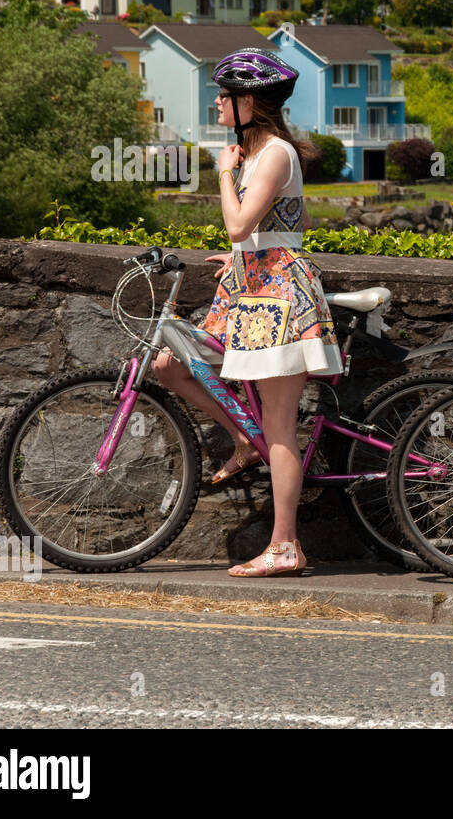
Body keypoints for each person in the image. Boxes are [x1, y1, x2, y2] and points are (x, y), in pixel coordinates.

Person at [152, 48, 342, 578]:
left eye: (225, 95)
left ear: (249, 101)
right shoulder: (258, 154)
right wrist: (239, 257)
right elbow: (265, 229)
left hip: (279, 295)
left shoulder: (275, 153)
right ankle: (242, 438)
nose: (217, 102)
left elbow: (238, 223)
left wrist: (221, 175)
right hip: (251, 284)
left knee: (280, 427)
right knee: (169, 364)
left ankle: (285, 546)